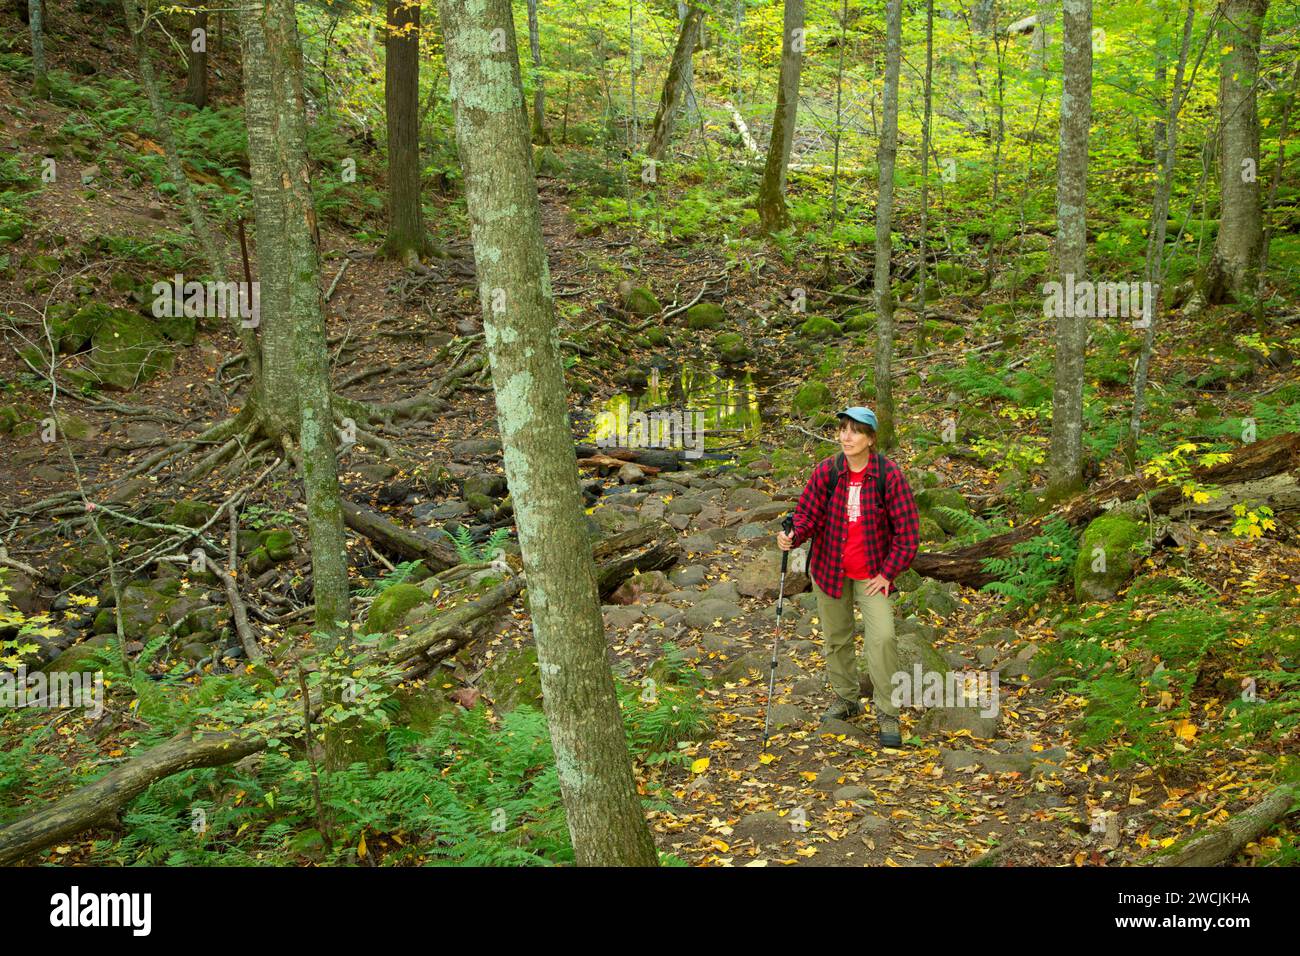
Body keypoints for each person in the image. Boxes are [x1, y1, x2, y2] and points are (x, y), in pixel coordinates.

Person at [777, 406, 920, 747]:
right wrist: (792, 536)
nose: (846, 436)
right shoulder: (828, 471)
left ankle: (887, 711)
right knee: (837, 639)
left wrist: (888, 573)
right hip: (829, 569)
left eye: (855, 431)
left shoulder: (889, 476)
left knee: (882, 638)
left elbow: (908, 534)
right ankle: (847, 698)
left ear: (871, 438)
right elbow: (807, 515)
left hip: (872, 573)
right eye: (843, 429)